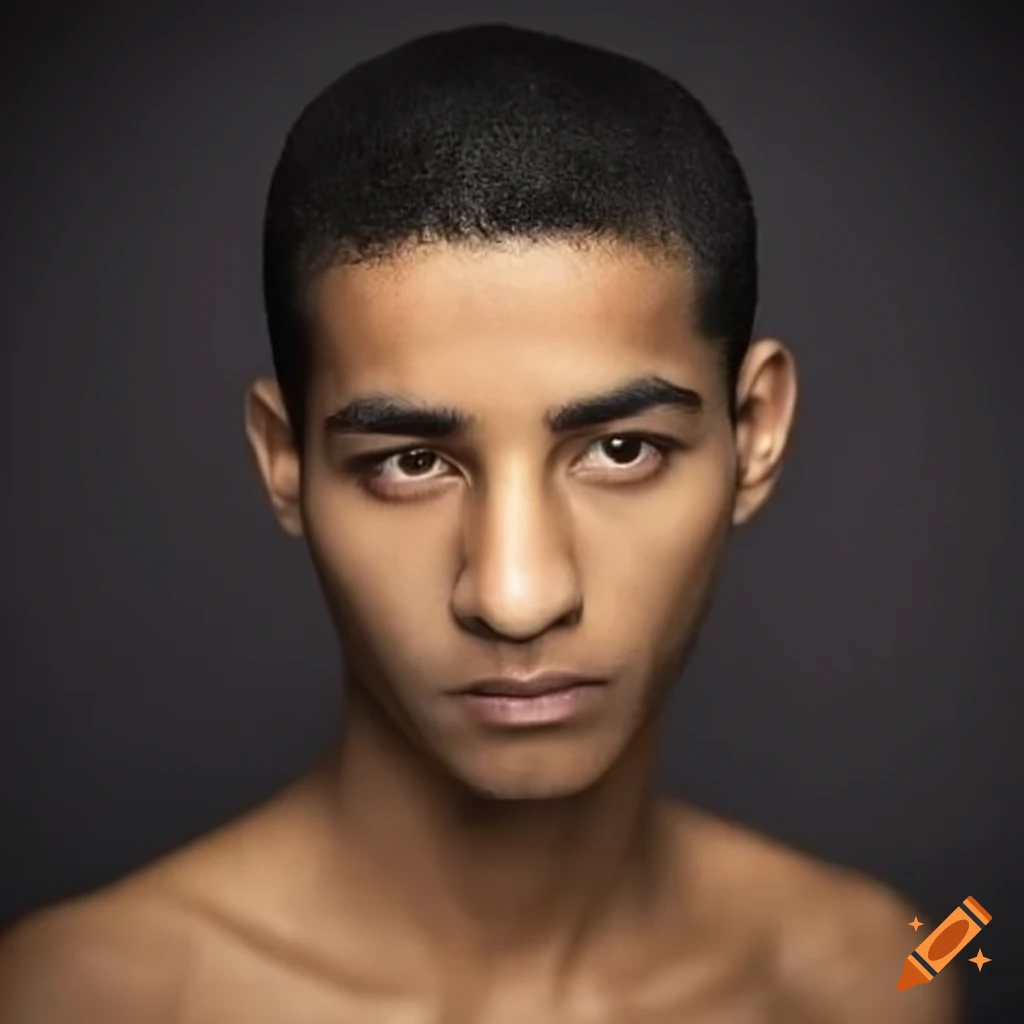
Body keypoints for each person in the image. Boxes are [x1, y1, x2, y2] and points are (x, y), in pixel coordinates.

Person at [0, 22, 957, 1024]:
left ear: (754, 431)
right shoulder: (84, 997)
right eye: (411, 462)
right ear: (284, 462)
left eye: (620, 449)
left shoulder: (877, 975)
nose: (515, 595)